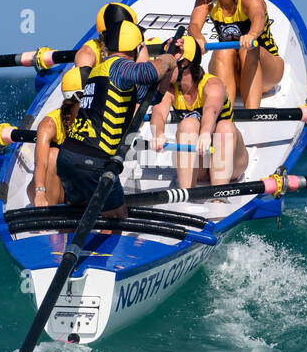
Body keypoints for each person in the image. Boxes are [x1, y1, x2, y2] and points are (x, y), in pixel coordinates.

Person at [56, 19, 181, 219]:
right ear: (137, 48)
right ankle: (102, 251)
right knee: (116, 217)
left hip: (67, 156)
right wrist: (166, 59)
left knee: (79, 214)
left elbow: (153, 96)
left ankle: (63, 248)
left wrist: (170, 65)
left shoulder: (103, 71)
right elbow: (149, 72)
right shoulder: (119, 66)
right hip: (93, 161)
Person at [187, 0, 284, 109]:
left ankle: (252, 113)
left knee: (248, 49)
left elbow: (258, 17)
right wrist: (197, 37)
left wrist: (252, 34)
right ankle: (225, 115)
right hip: (233, 70)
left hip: (267, 72)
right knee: (222, 51)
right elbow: (194, 25)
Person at [149, 36, 248, 190]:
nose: (162, 68)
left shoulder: (212, 84)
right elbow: (158, 114)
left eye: (167, 64)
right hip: (200, 164)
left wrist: (205, 133)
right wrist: (158, 134)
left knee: (224, 127)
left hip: (231, 163)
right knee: (189, 124)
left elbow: (211, 109)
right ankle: (186, 193)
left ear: (185, 65)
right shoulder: (168, 88)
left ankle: (219, 197)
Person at [28, 66, 87, 207]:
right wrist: (40, 192)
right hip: (45, 188)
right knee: (54, 155)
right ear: (79, 97)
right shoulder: (49, 124)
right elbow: (41, 163)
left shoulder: (96, 116)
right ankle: (48, 214)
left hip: (74, 188)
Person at [74, 2, 149, 68]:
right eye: (116, 34)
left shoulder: (143, 44)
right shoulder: (87, 54)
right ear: (104, 36)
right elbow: (81, 81)